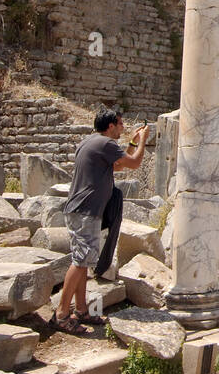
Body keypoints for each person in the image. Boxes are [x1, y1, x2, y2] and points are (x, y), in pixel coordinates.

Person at [52, 107, 149, 333]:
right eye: (121, 124)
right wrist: (143, 140)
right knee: (79, 261)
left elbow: (117, 165)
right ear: (111, 125)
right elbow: (133, 164)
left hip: (83, 210)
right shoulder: (105, 144)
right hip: (86, 211)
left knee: (83, 260)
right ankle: (62, 314)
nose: (123, 128)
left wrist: (132, 143)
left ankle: (82, 310)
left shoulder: (91, 142)